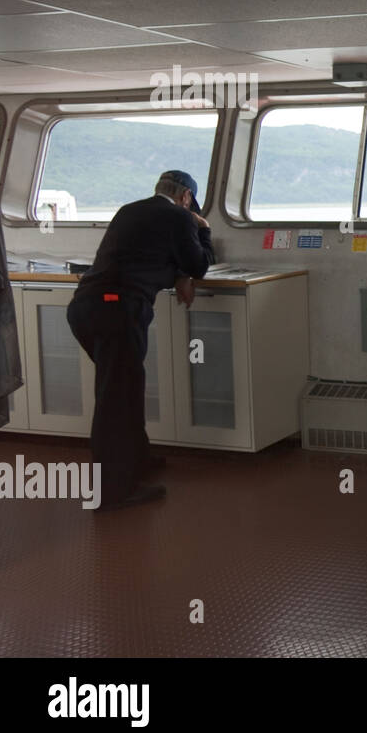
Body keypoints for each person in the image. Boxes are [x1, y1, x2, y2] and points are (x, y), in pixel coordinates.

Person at [66, 170, 215, 511]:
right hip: (118, 309)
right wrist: (203, 231)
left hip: (86, 308)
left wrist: (178, 275)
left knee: (122, 388)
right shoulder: (179, 217)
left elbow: (149, 255)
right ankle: (112, 492)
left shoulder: (129, 210)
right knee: (117, 399)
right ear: (186, 198)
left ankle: (138, 459)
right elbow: (200, 264)